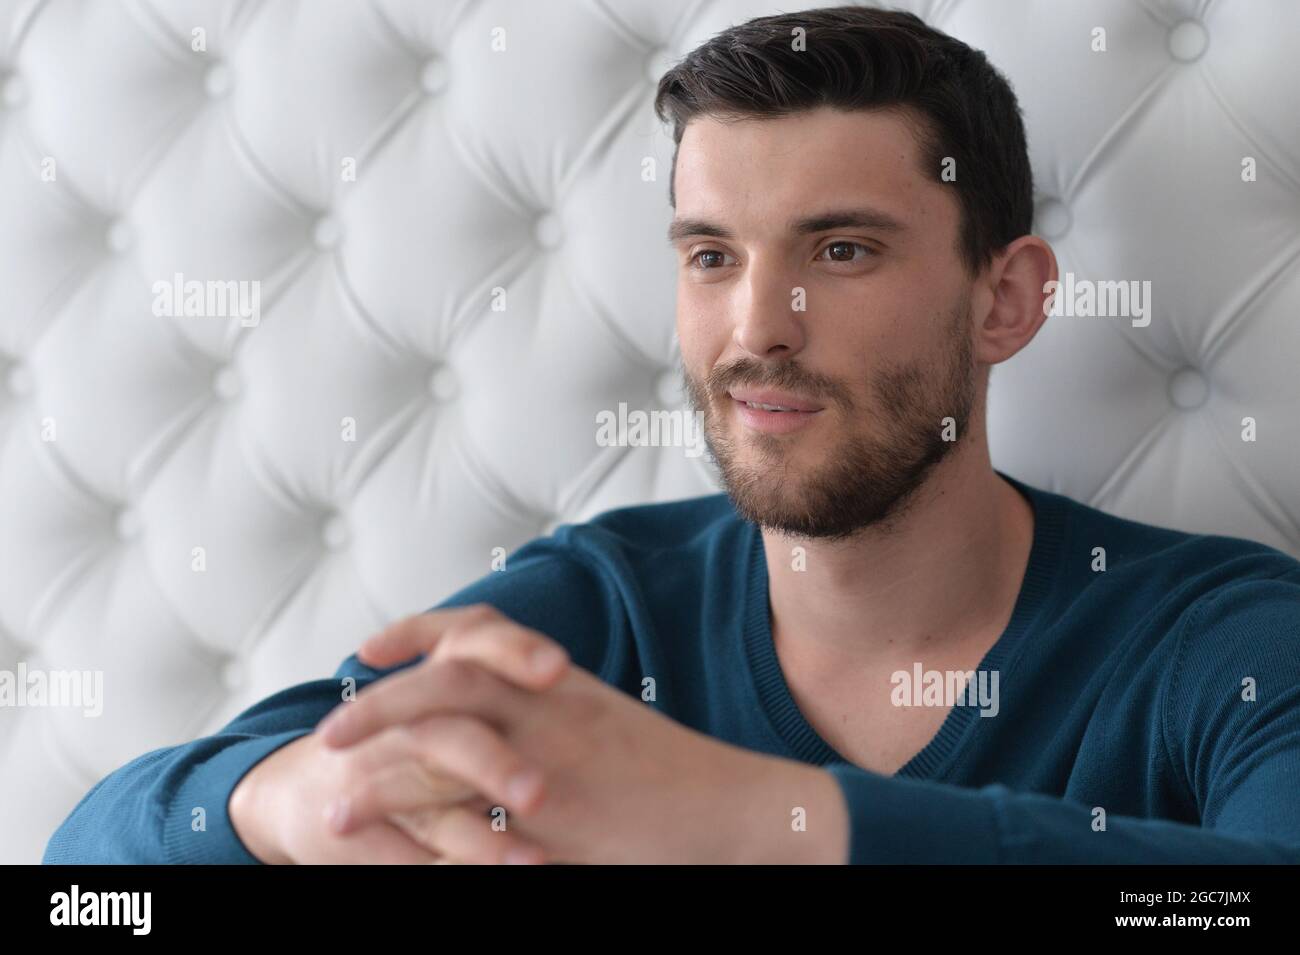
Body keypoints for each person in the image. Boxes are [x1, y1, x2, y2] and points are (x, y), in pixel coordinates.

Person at [44, 5, 1300, 865]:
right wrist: (286, 799)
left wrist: (752, 820)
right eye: (711, 256)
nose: (759, 329)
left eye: (841, 250)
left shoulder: (1217, 637)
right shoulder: (601, 610)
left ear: (1005, 297)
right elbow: (88, 862)